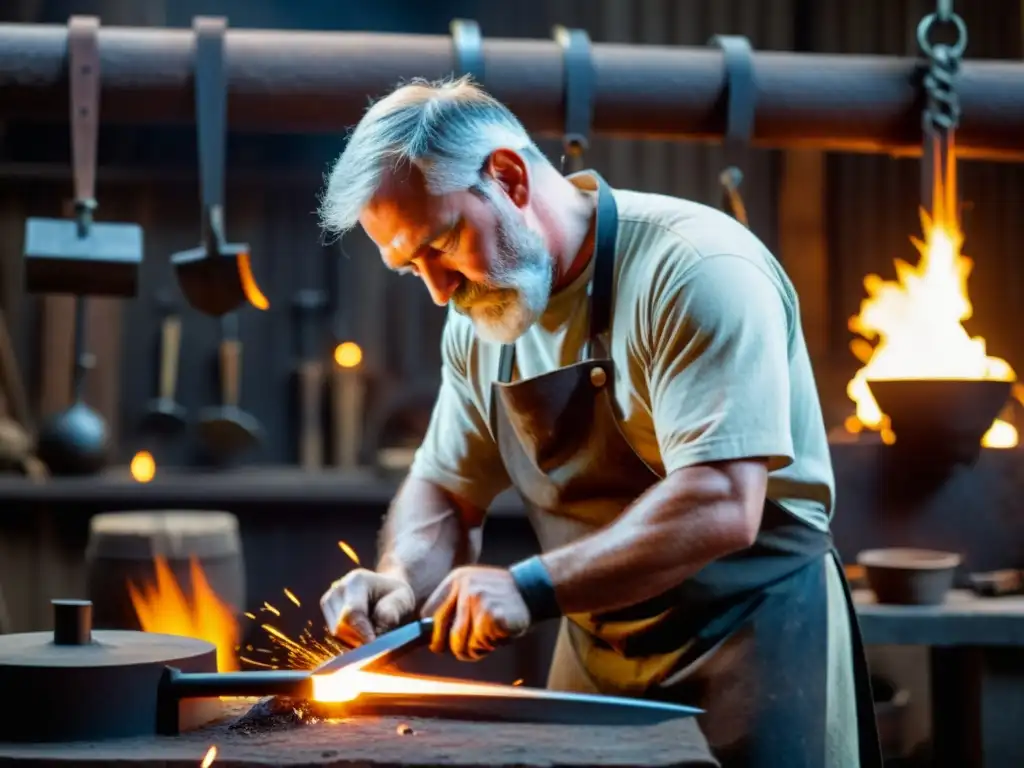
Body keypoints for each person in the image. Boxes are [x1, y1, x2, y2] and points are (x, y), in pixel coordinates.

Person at [317, 76, 882, 768]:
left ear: (509, 177)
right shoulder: (478, 319)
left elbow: (724, 500)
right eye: (410, 267)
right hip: (596, 659)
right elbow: (445, 487)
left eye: (440, 243)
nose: (438, 289)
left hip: (755, 646)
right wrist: (402, 580)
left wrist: (528, 587)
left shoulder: (697, 270)